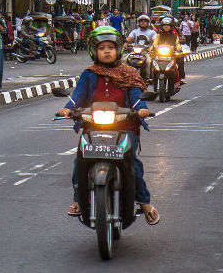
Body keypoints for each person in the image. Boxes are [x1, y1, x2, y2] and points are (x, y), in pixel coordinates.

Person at [57, 26, 159, 225]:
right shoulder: (89, 74)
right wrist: (68, 109)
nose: (106, 51)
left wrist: (142, 109)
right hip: (94, 126)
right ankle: (78, 199)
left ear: (118, 49)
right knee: (79, 160)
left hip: (125, 127)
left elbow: (137, 98)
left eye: (110, 47)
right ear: (93, 50)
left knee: (133, 163)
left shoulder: (129, 73)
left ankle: (145, 203)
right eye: (101, 47)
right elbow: (78, 96)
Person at [155, 16, 185, 87]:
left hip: (171, 54)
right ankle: (152, 79)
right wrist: (152, 48)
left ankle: (180, 78)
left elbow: (177, 44)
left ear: (171, 26)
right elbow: (154, 44)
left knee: (180, 60)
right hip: (160, 55)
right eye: (164, 25)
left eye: (167, 26)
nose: (166, 27)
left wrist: (178, 49)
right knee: (151, 63)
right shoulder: (158, 35)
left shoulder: (174, 35)